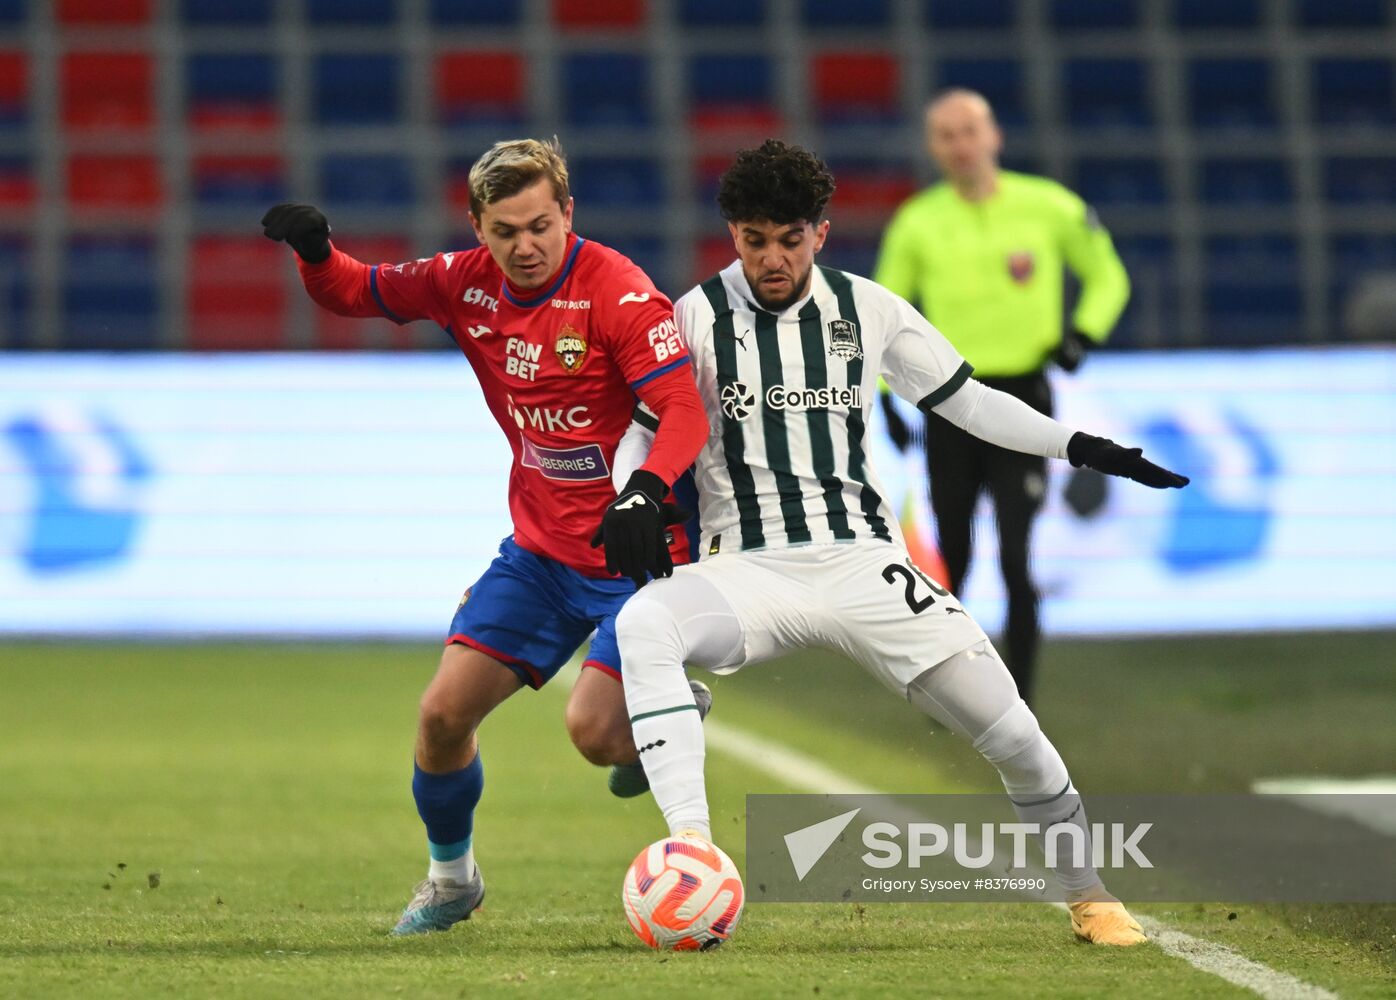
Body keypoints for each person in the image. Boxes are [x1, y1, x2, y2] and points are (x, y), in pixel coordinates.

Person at [612, 140, 1185, 946]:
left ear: (822, 231)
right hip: (745, 567)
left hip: (862, 562)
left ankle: (1089, 896)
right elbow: (645, 429)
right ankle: (693, 855)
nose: (772, 259)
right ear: (731, 234)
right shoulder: (693, 317)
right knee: (644, 623)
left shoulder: (869, 309)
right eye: (754, 240)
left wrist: (1080, 447)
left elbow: (971, 404)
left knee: (1011, 727)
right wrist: (628, 495)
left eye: (790, 238)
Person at [261, 138, 711, 935]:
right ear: (477, 226)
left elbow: (681, 407)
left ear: (568, 213)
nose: (526, 246)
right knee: (441, 717)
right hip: (540, 555)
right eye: (505, 230)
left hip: (637, 555)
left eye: (541, 225)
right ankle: (452, 880)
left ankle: (649, 730)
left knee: (595, 734)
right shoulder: (461, 283)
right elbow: (356, 291)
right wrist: (315, 252)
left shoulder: (619, 291)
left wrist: (643, 491)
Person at [874, 89, 1131, 703]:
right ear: (933, 148)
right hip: (949, 399)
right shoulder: (918, 221)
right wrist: (884, 394)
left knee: (1017, 555)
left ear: (994, 137)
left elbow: (1107, 274)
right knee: (953, 558)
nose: (960, 146)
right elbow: (880, 312)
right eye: (946, 135)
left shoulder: (1048, 207)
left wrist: (1082, 334)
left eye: (969, 131)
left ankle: (1020, 700)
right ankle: (955, 693)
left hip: (1023, 399)